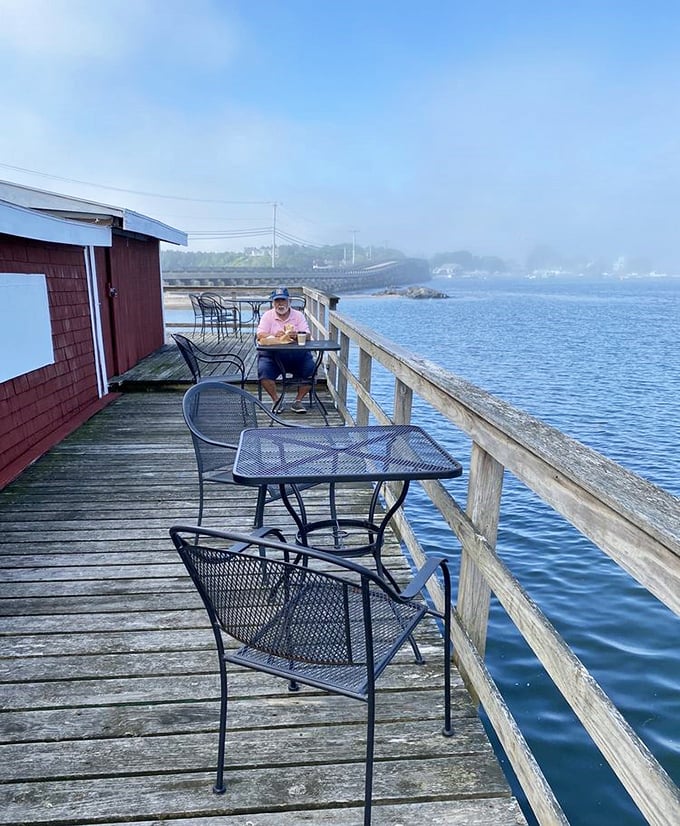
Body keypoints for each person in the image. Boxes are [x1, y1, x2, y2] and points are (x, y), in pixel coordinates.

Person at [256, 286, 315, 413]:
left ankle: (298, 401)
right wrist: (273, 335)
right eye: (277, 301)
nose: (280, 304)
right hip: (272, 356)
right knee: (263, 370)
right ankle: (276, 401)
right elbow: (260, 334)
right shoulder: (267, 316)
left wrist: (297, 335)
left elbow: (308, 336)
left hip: (297, 356)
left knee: (311, 368)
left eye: (283, 300)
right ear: (273, 303)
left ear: (289, 301)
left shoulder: (298, 315)